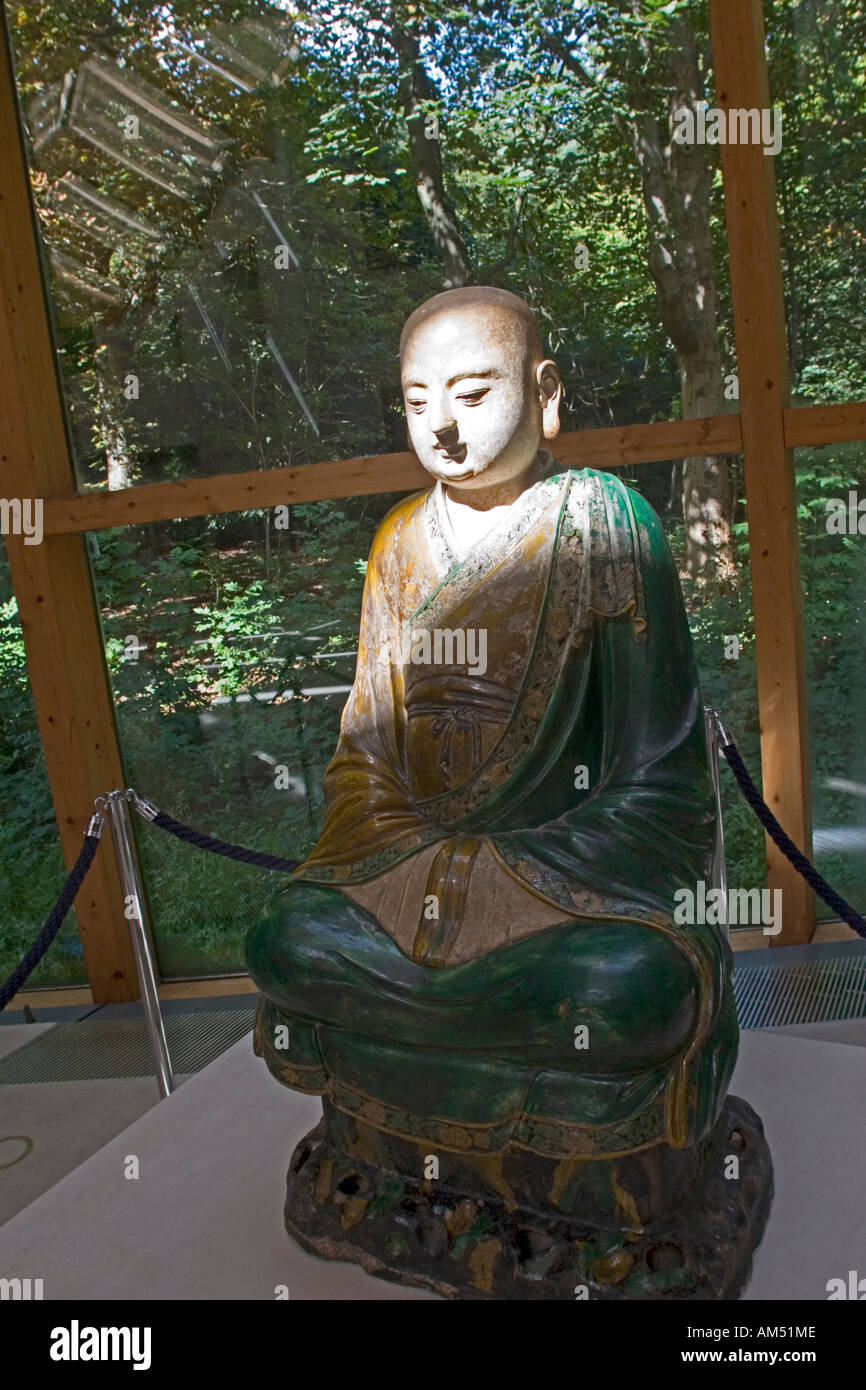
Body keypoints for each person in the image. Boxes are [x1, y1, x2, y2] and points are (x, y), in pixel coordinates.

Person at [245, 286, 737, 1167]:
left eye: (472, 395)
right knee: (285, 942)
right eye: (417, 399)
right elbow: (364, 753)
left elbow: (662, 780)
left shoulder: (609, 526)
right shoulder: (396, 544)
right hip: (407, 871)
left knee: (628, 989)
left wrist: (494, 868)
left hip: (558, 889)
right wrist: (424, 861)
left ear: (545, 395)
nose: (442, 426)